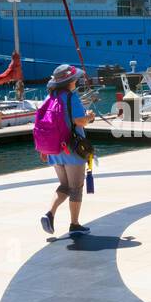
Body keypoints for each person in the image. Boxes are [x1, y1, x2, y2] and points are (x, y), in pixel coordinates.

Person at [39, 64, 95, 236]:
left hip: (55, 149)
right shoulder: (71, 97)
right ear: (69, 81)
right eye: (75, 79)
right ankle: (74, 225)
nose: (76, 81)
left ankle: (49, 213)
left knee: (65, 185)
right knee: (76, 187)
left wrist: (43, 149)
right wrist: (90, 117)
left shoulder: (50, 97)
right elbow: (79, 120)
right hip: (72, 149)